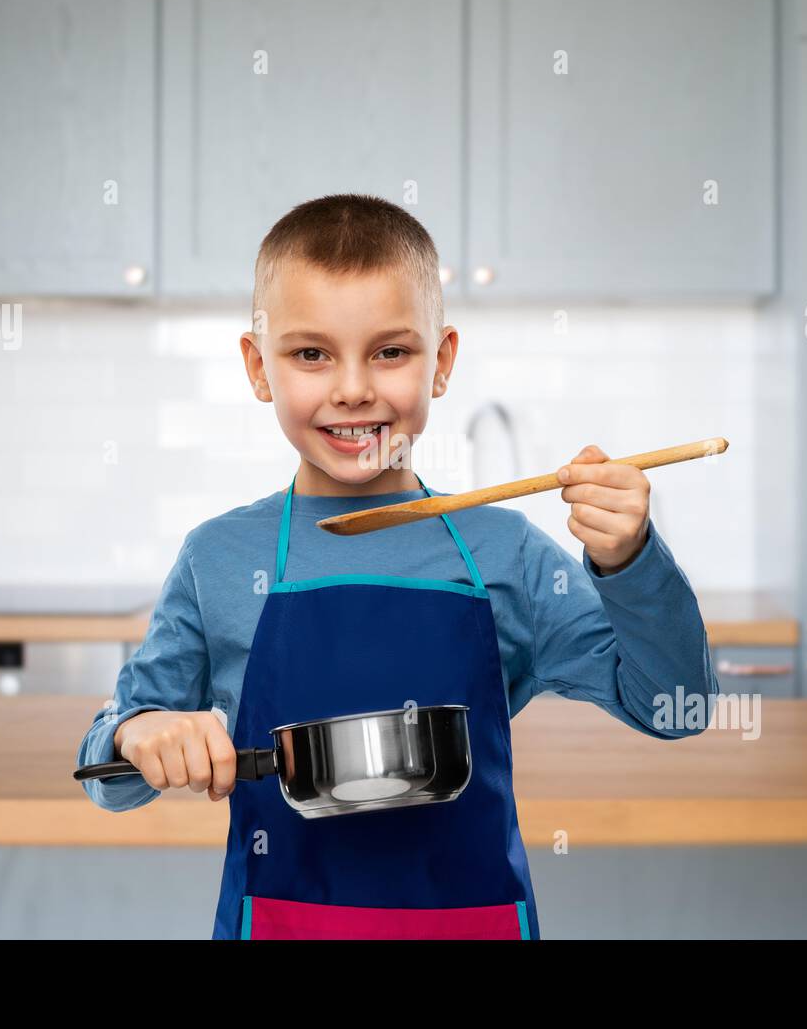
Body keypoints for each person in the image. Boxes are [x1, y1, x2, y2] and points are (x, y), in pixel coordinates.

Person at [77, 193, 717, 939]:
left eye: (390, 351)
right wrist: (140, 734)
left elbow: (678, 705)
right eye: (311, 353)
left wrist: (629, 558)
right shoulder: (218, 557)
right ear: (259, 367)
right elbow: (108, 775)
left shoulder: (503, 551)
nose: (353, 387)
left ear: (441, 362)